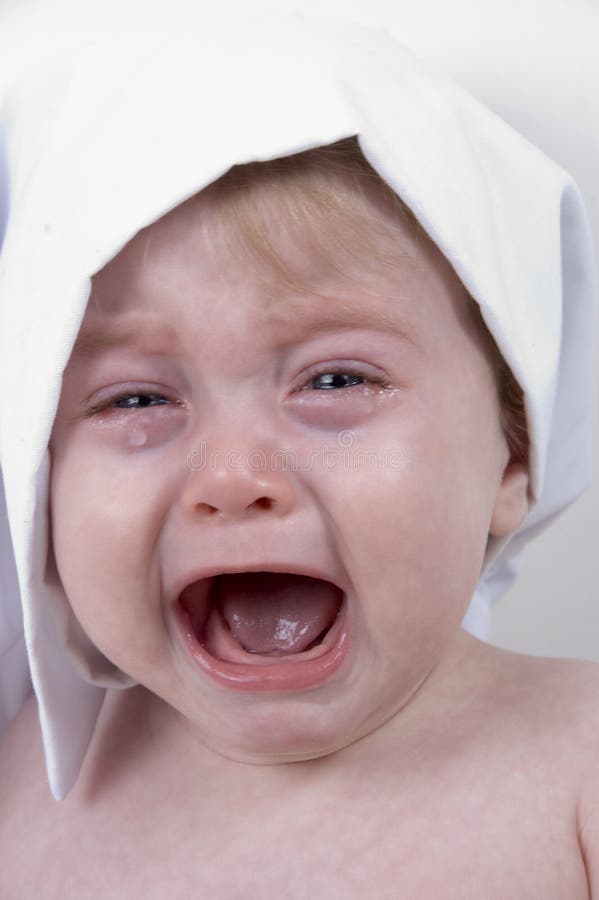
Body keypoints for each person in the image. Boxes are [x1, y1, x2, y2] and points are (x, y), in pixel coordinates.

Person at [0, 11, 597, 897]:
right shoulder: (30, 783)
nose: (234, 480)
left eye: (334, 381)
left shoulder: (575, 768)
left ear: (512, 456)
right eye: (136, 399)